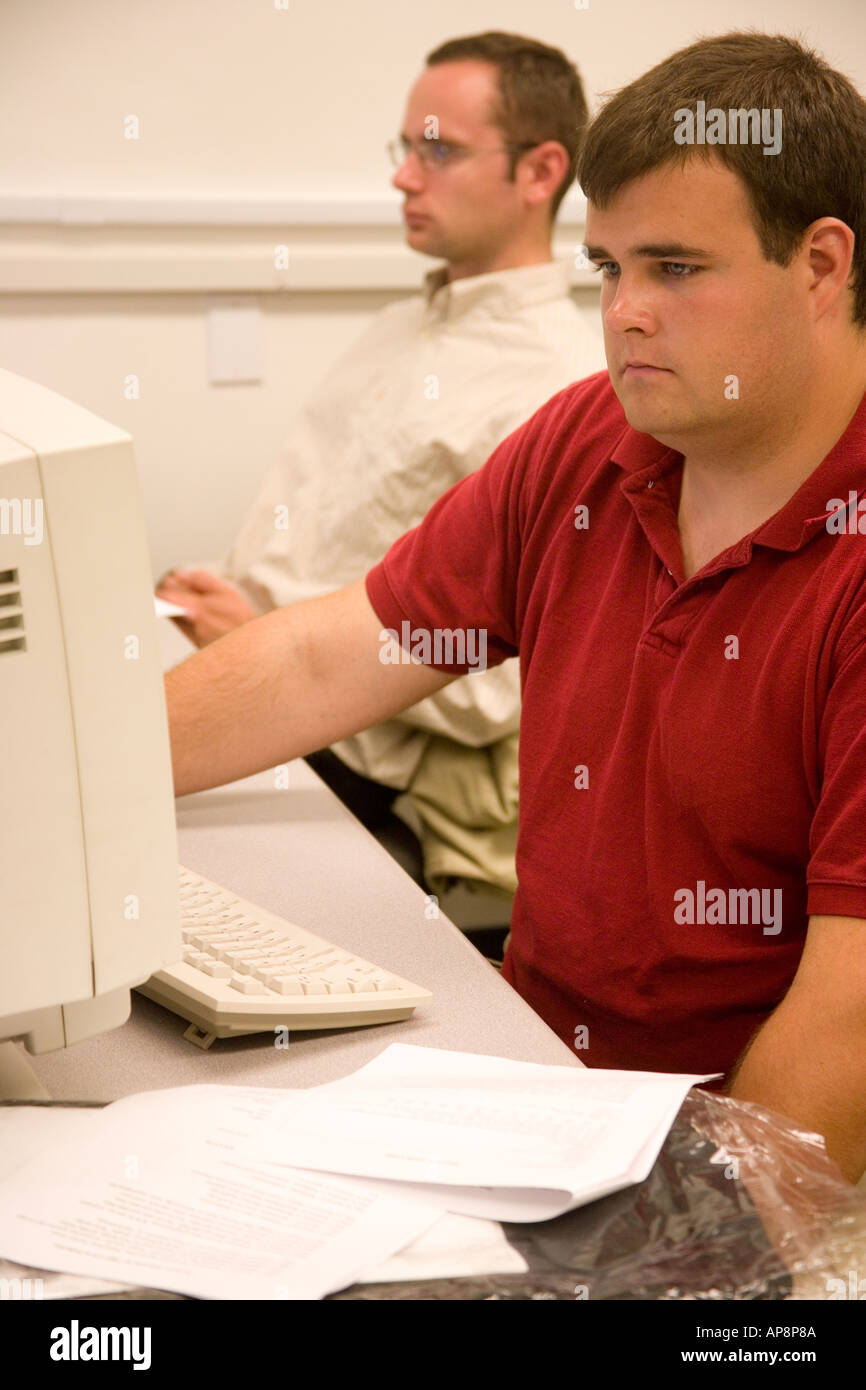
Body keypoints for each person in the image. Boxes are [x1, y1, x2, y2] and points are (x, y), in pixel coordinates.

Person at [164, 30, 866, 1182]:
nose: (625, 313)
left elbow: (843, 1030)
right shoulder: (588, 439)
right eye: (609, 270)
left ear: (821, 265)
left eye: (675, 269)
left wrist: (677, 1254)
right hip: (532, 1079)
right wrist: (60, 794)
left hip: (723, 1162)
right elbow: (322, 661)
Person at [157, 31, 604, 901]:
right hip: (252, 664)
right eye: (406, 148)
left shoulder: (561, 387)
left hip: (350, 755)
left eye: (438, 150)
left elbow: (499, 693)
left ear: (541, 171)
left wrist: (259, 631)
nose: (404, 177)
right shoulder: (399, 328)